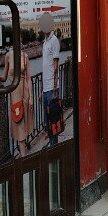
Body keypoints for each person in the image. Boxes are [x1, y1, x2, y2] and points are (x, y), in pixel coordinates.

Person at [0, 36, 33, 158]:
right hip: (15, 94)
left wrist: (31, 97)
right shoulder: (8, 56)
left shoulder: (25, 56)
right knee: (19, 122)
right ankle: (24, 156)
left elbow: (28, 78)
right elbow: (4, 77)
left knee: (23, 123)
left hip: (25, 94)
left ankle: (23, 155)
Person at [40, 13, 61, 147]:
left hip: (51, 88)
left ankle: (54, 146)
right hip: (46, 87)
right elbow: (44, 66)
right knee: (48, 120)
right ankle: (52, 144)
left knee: (53, 120)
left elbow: (55, 65)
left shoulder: (54, 41)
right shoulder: (45, 41)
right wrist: (42, 89)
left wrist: (54, 88)